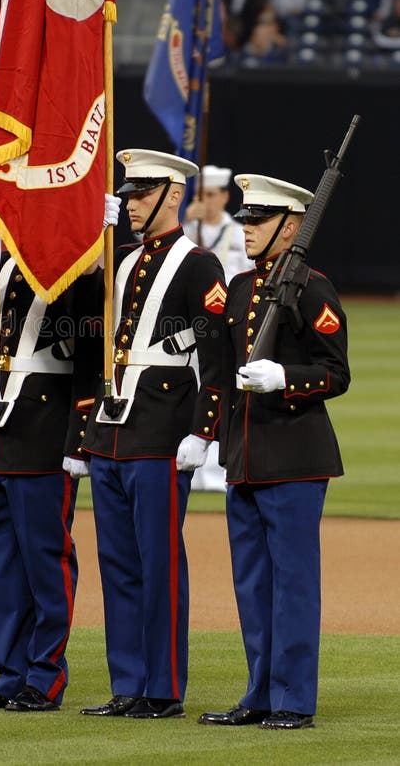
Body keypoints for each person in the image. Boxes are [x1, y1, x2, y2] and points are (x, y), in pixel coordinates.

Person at [199, 173, 350, 730]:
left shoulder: (312, 288)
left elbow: (336, 374)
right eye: (245, 220)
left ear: (291, 227)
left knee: (292, 585)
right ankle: (259, 693)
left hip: (294, 460)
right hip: (246, 459)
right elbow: (217, 371)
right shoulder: (240, 289)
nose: (247, 230)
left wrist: (284, 376)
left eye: (259, 221)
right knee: (253, 585)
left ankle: (293, 700)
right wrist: (207, 434)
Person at [79, 149, 226, 720]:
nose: (132, 203)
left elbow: (215, 357)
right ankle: (127, 683)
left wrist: (202, 431)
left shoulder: (198, 266)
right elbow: (101, 348)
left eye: (141, 194)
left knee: (158, 563)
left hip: (163, 433)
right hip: (114, 432)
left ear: (172, 195)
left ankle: (161, 689)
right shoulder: (123, 261)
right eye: (130, 194)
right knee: (117, 564)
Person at [0, 196, 119, 714]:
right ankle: (10, 673)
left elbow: (89, 350)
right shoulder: (6, 268)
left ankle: (45, 675)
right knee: (1, 564)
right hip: (1, 431)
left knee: (46, 562)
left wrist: (92, 251)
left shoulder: (70, 272)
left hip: (45, 435)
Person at [183, 164, 252, 492]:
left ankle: (214, 472)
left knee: (220, 392)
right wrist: (187, 224)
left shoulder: (240, 233)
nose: (207, 201)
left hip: (226, 327)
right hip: (189, 327)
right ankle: (191, 467)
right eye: (201, 195)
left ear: (224, 196)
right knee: (192, 391)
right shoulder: (187, 231)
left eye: (211, 195)